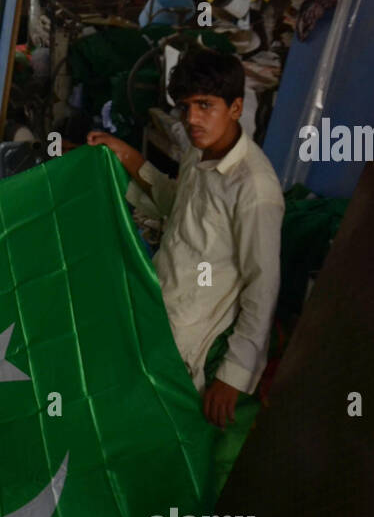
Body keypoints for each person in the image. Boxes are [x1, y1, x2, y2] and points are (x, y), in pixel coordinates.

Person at [87, 50, 283, 428]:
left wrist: (233, 375)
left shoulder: (254, 188)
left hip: (185, 331)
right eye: (185, 107)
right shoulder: (199, 151)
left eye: (205, 106)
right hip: (157, 298)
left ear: (236, 107)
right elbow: (177, 206)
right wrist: (126, 156)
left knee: (140, 424)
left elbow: (263, 284)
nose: (192, 119)